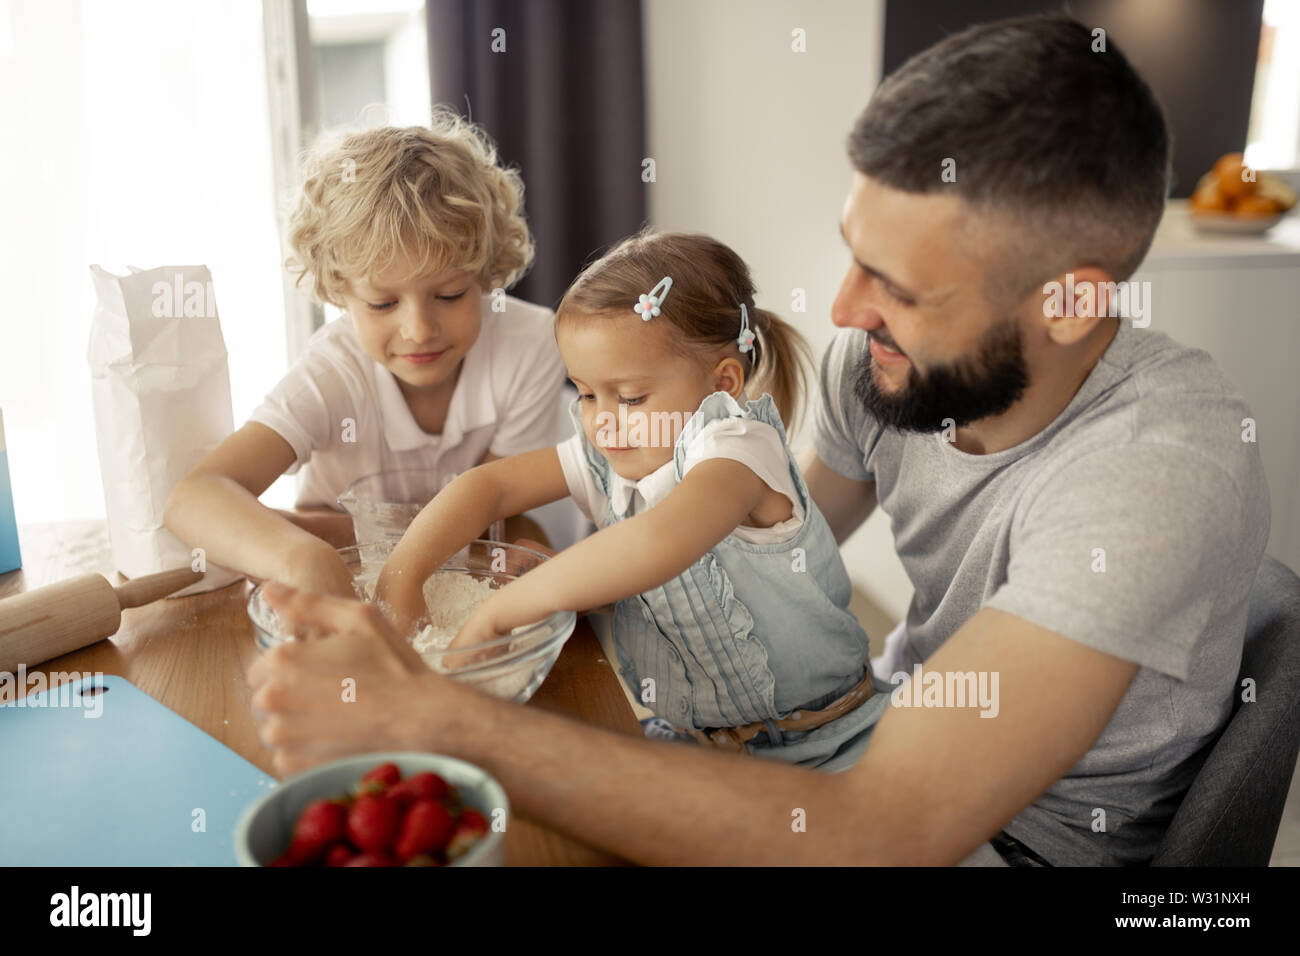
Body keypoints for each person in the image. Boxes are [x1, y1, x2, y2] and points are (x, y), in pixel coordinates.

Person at [247, 13, 1271, 865]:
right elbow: (760, 550)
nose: (843, 308)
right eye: (854, 257)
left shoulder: (1155, 470)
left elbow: (884, 829)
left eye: (901, 288)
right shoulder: (882, 365)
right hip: (869, 733)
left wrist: (438, 715)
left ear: (1072, 300)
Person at [376, 231, 890, 769]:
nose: (601, 421)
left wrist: (499, 613)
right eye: (588, 393)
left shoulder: (739, 451)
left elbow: (659, 541)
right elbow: (488, 487)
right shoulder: (614, 451)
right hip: (698, 747)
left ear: (723, 383)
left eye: (630, 397)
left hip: (830, 745)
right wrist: (402, 576)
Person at [164, 110, 568, 597]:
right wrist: (304, 553)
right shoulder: (334, 371)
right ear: (340, 293)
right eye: (382, 303)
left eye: (450, 295)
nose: (419, 331)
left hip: (462, 561)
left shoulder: (531, 346)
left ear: (484, 275)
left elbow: (495, 513)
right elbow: (193, 498)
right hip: (343, 570)